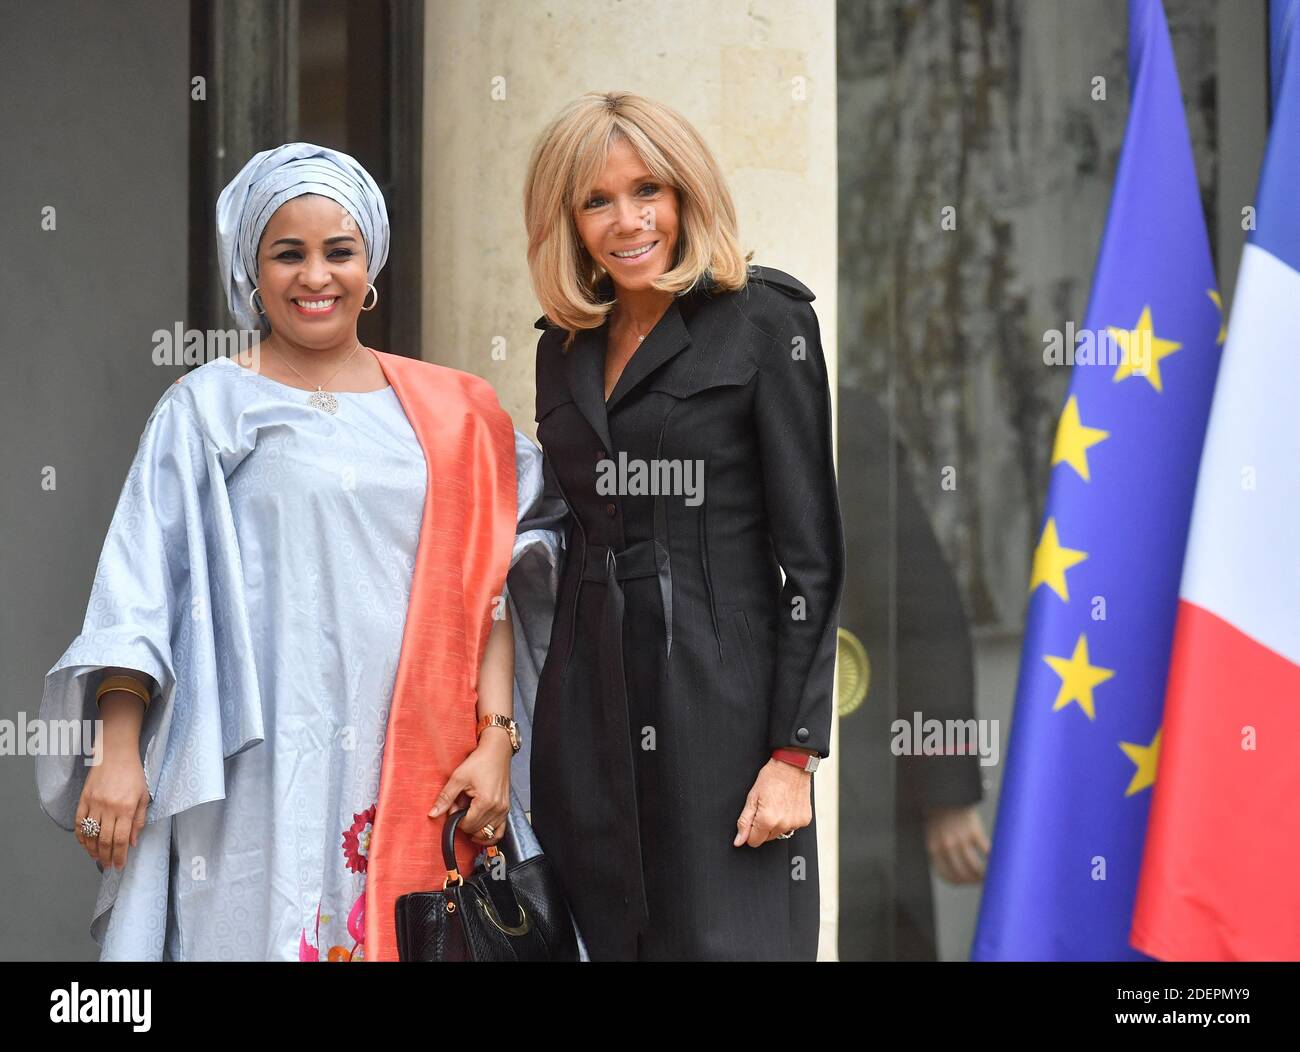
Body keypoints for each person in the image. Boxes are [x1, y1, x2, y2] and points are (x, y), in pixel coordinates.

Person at [35, 142, 562, 961]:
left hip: (420, 764)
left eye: (338, 251)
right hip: (254, 772)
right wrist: (119, 752)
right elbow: (140, 590)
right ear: (253, 268)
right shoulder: (208, 408)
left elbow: (494, 585)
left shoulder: (455, 413)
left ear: (370, 262)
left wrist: (497, 739)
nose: (316, 276)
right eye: (288, 253)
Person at [521, 91, 846, 960]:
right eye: (596, 200)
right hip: (584, 716)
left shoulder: (766, 321)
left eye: (648, 191)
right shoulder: (561, 347)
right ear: (568, 221)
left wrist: (793, 755)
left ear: (686, 194)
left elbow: (813, 561)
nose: (628, 221)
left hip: (723, 717)